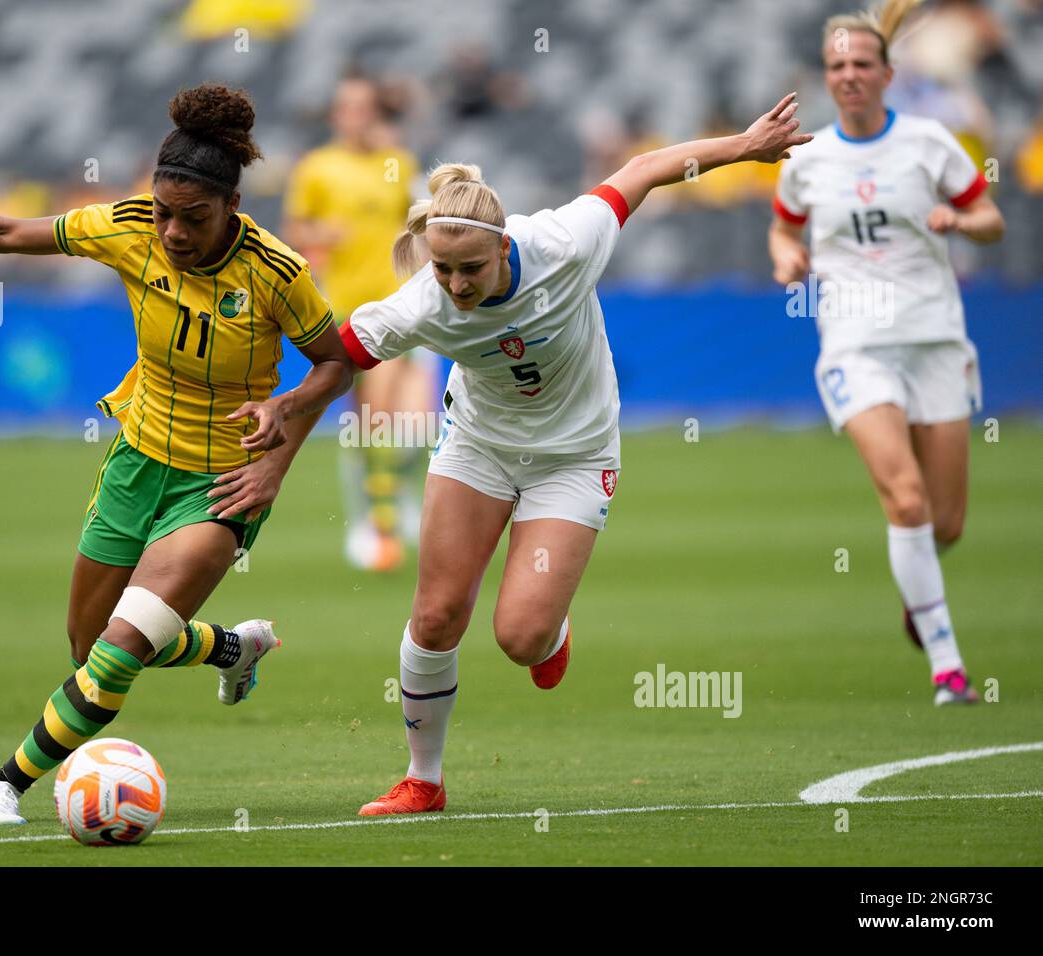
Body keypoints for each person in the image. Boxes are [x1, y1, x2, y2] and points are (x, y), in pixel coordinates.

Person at [0, 83, 353, 823]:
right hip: (136, 461)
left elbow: (336, 363)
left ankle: (5, 783)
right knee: (87, 644)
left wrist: (285, 415)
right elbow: (6, 234)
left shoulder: (276, 273)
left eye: (193, 218)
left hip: (221, 483)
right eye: (164, 212)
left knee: (117, 650)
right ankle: (230, 649)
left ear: (233, 207)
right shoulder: (128, 226)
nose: (171, 232)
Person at [339, 95, 810, 815]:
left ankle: (550, 625)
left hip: (575, 456)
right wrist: (278, 417)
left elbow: (647, 167)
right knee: (435, 617)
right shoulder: (424, 302)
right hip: (479, 447)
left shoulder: (566, 240)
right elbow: (337, 356)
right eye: (444, 270)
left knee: (520, 638)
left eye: (470, 268)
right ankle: (423, 781)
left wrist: (744, 146)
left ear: (504, 247)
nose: (457, 287)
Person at [768, 1, 1004, 705]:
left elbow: (990, 218)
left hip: (935, 339)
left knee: (946, 522)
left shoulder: (930, 143)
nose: (848, 76)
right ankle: (948, 666)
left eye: (861, 65)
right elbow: (783, 231)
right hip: (855, 345)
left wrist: (961, 219)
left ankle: (918, 585)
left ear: (886, 73)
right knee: (904, 500)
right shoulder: (808, 159)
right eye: (837, 66)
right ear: (827, 75)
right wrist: (787, 261)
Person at [284, 75, 436, 571]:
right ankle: (373, 524)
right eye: (347, 107)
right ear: (335, 115)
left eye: (364, 107)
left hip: (403, 304)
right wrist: (322, 233)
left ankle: (397, 502)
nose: (356, 116)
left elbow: (420, 223)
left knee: (416, 424)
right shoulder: (317, 168)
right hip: (349, 310)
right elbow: (295, 230)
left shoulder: (399, 164)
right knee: (373, 419)